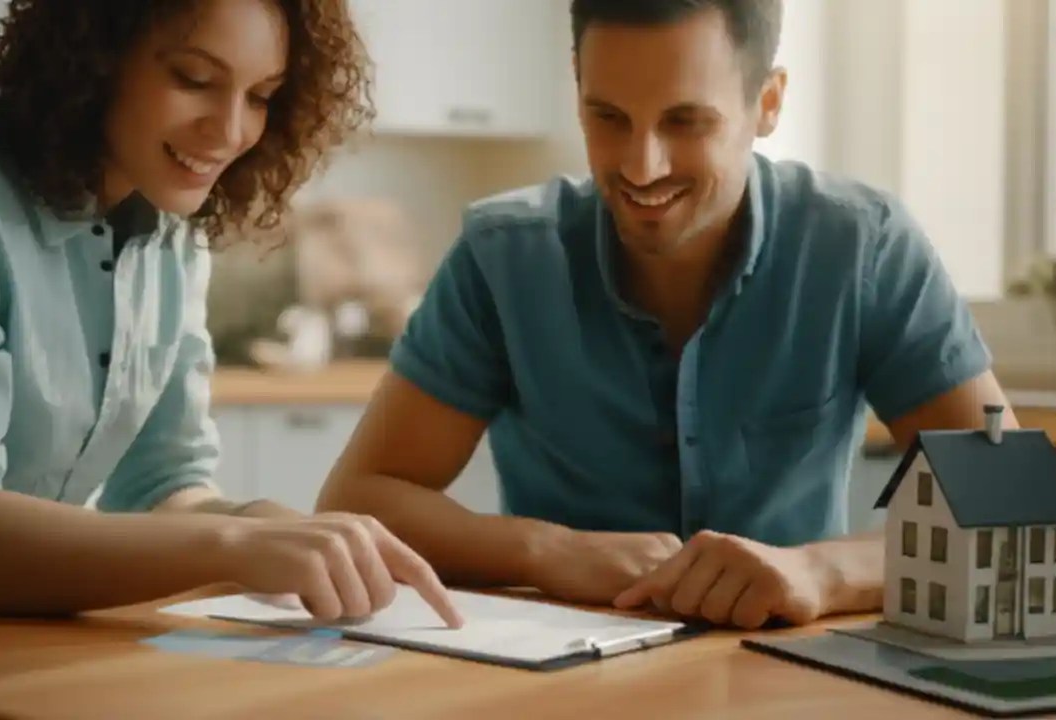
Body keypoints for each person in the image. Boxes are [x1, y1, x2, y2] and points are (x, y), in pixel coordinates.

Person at [0, 0, 461, 715]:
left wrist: (275, 525)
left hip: (8, 644)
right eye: (193, 78)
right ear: (94, 54)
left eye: (261, 97)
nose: (232, 130)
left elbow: (162, 484)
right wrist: (232, 545)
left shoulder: (167, 226)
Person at [317, 0, 1014, 631]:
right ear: (577, 84)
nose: (641, 166)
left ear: (767, 102)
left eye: (686, 122)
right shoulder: (501, 259)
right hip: (559, 684)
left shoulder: (864, 246)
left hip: (792, 682)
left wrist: (821, 571)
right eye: (608, 117)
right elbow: (361, 500)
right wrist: (546, 551)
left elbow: (1007, 511)